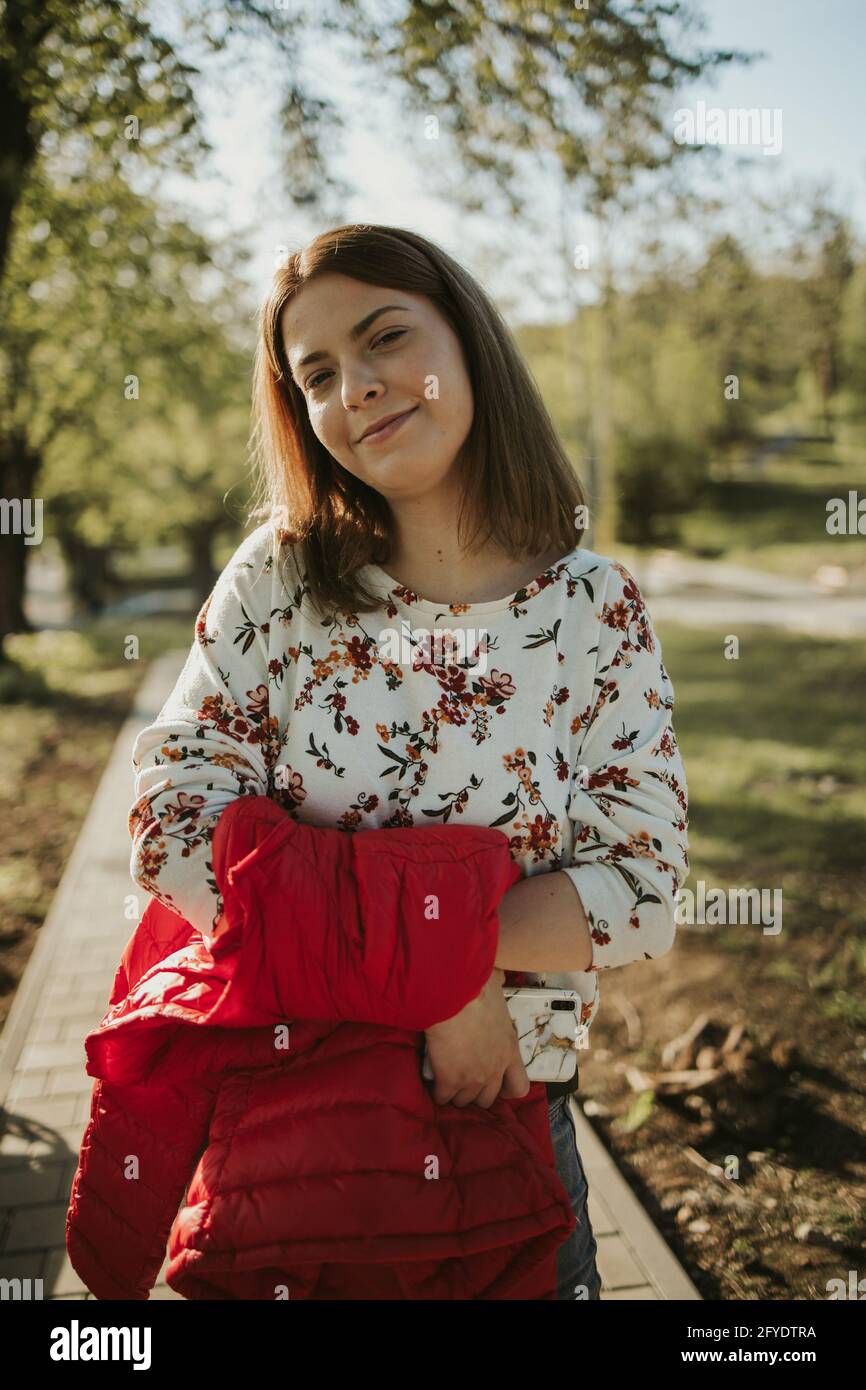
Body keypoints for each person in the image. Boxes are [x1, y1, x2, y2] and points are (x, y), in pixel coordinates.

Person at [129, 223, 689, 1301]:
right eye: (319, 376)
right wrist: (432, 978)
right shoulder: (277, 584)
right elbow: (171, 832)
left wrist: (437, 959)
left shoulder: (594, 608)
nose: (361, 388)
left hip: (514, 1126)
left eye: (386, 337)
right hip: (296, 1121)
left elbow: (637, 891)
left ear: (468, 339)